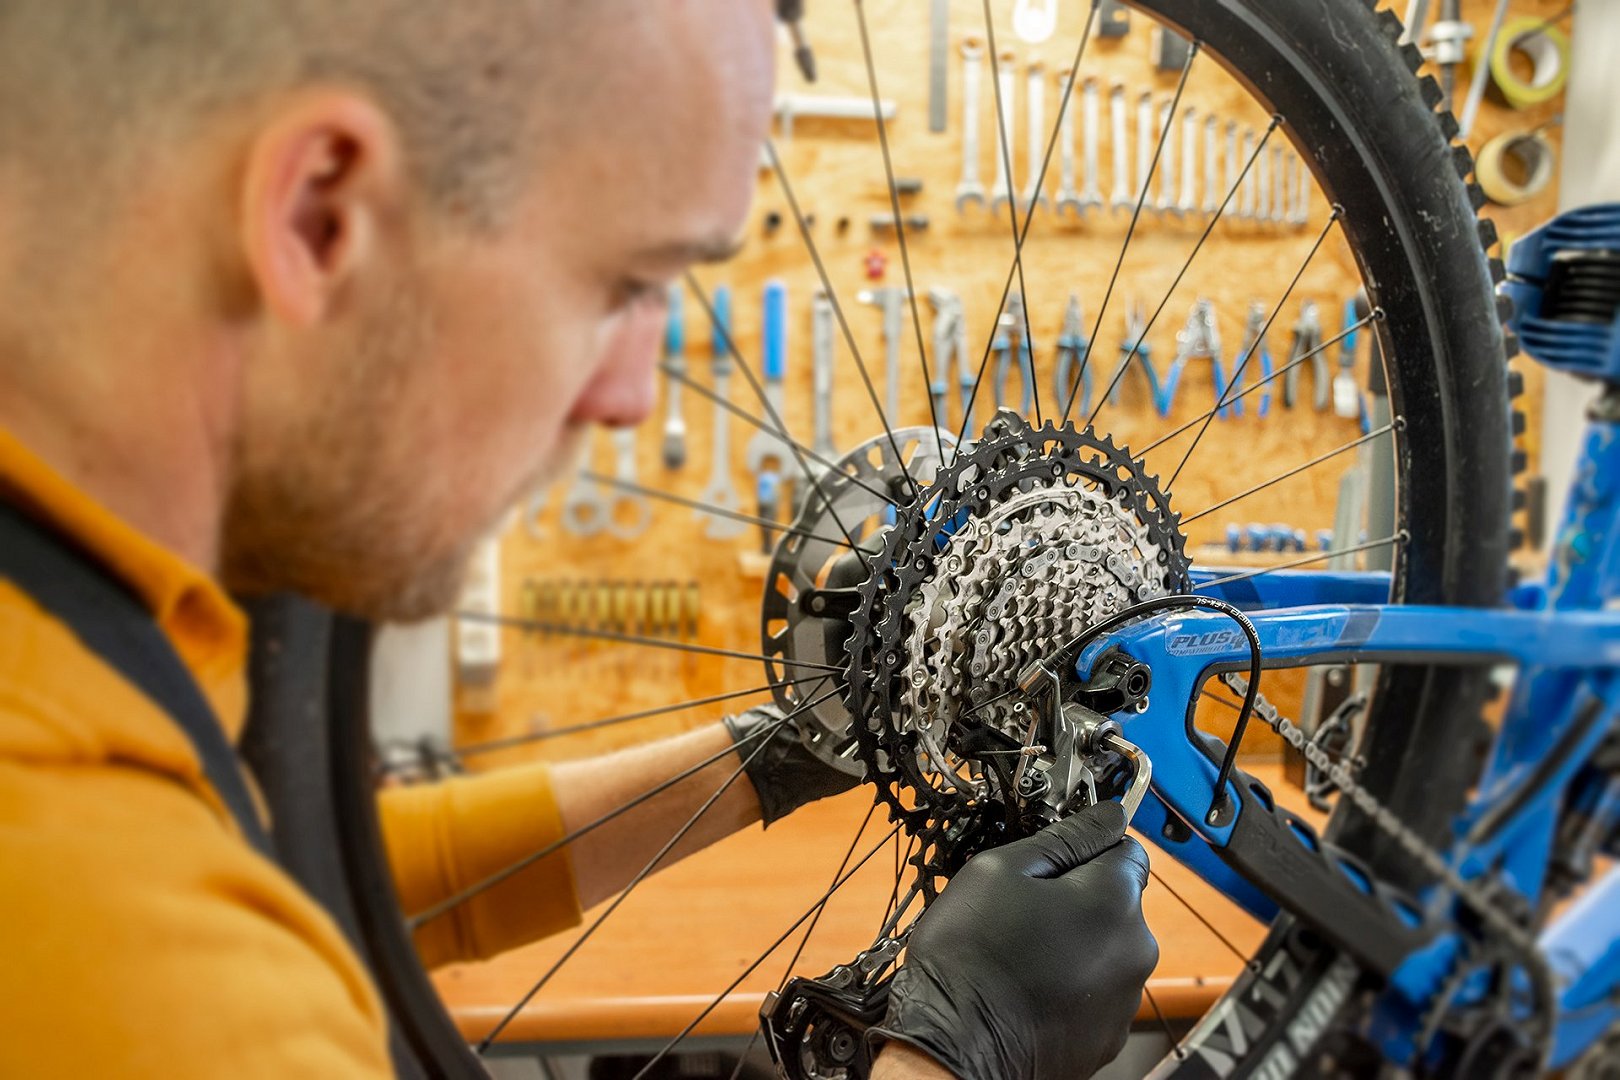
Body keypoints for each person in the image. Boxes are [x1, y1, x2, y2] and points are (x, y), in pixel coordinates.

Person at [0, 2, 1155, 1078]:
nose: (632, 395)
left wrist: (777, 754)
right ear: (317, 217)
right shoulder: (145, 991)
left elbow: (314, 867)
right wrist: (960, 1051)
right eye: (628, 281)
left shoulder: (74, 665)